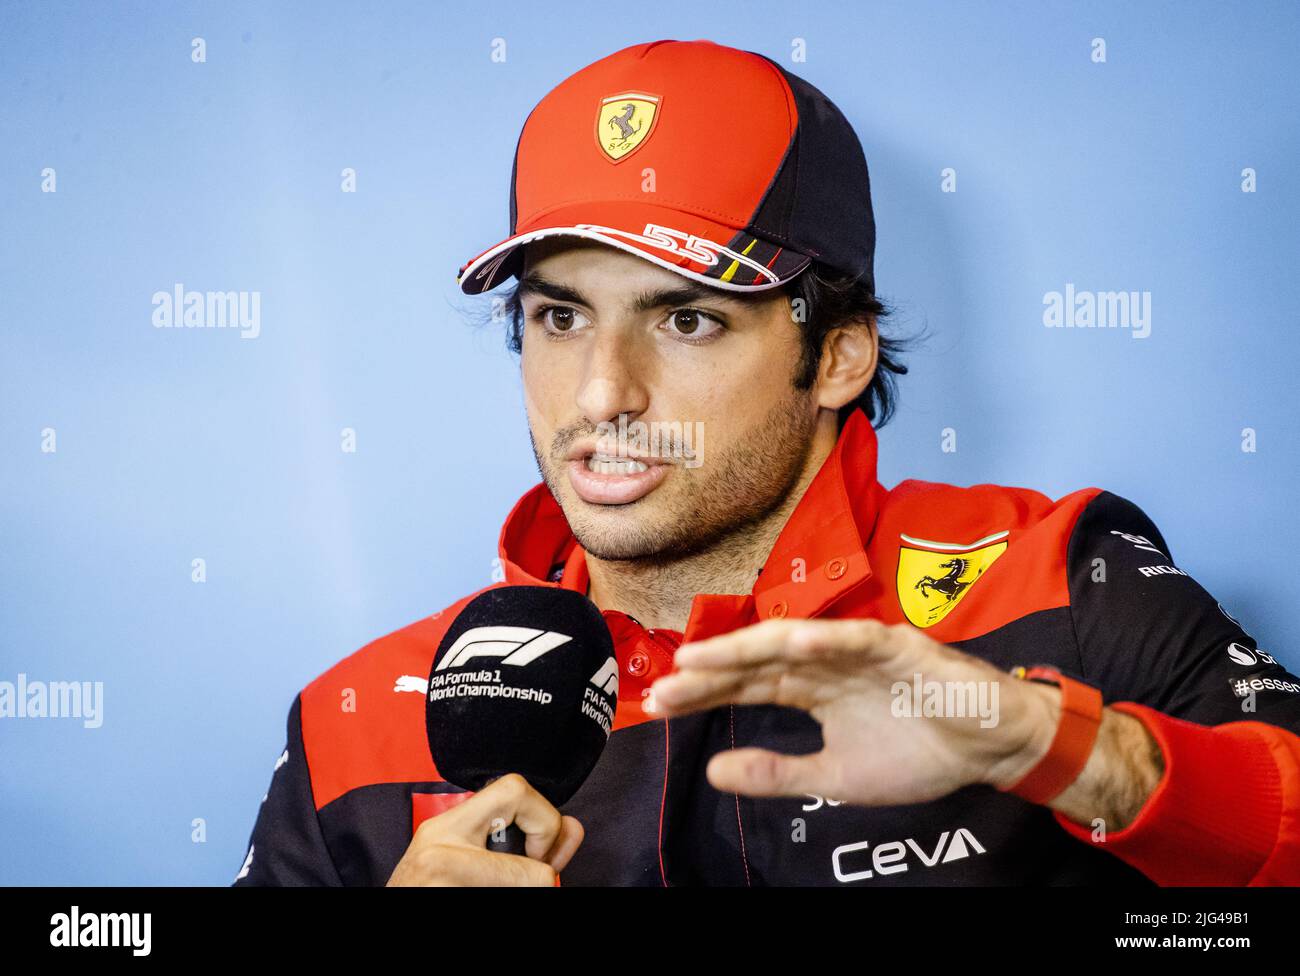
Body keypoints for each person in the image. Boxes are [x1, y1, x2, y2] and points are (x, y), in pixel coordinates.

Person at [233, 38, 1300, 887]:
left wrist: (1059, 750)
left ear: (835, 353)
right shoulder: (360, 714)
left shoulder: (1057, 580)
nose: (602, 393)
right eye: (559, 315)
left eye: (687, 320)